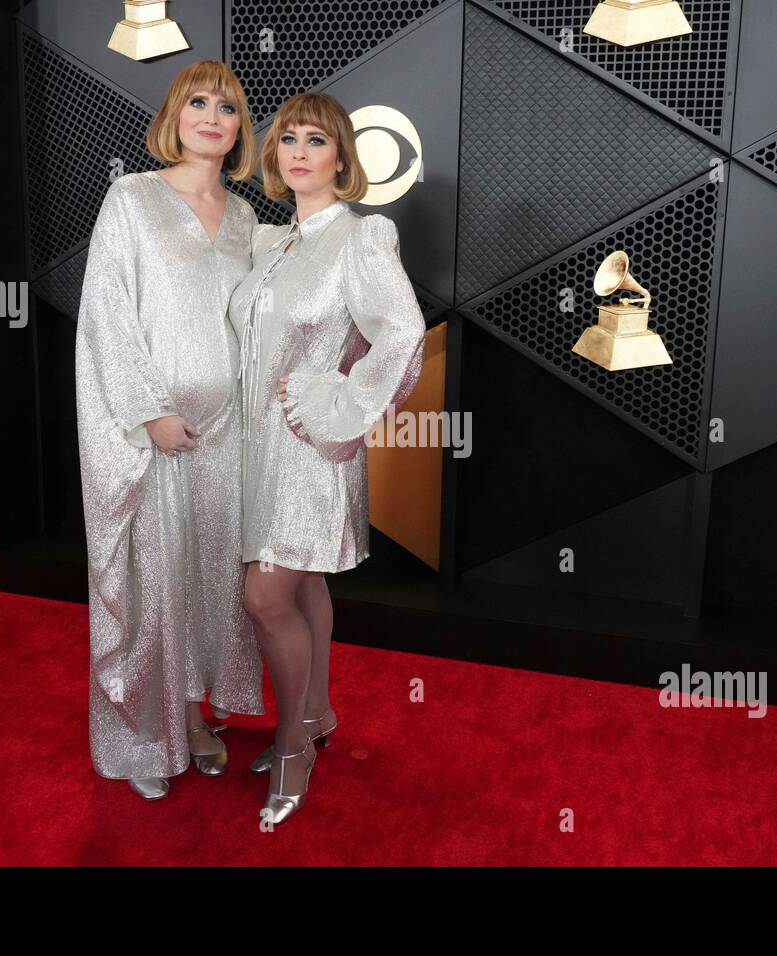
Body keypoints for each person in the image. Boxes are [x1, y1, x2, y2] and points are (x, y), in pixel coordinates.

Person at [227, 92, 426, 826]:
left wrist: (336, 394)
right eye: (287, 140)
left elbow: (401, 332)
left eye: (316, 140)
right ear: (275, 156)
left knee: (265, 596)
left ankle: (292, 745)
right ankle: (316, 714)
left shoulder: (361, 237)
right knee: (302, 585)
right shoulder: (272, 241)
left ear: (342, 156)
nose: (299, 151)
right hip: (252, 444)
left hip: (309, 444)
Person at [75, 61, 264, 801]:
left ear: (240, 126)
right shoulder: (133, 197)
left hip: (228, 433)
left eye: (227, 105)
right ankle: (142, 740)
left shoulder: (246, 215)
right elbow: (106, 310)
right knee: (152, 585)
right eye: (198, 104)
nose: (213, 115)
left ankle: (191, 717)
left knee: (210, 583)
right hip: (152, 432)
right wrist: (149, 411)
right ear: (174, 117)